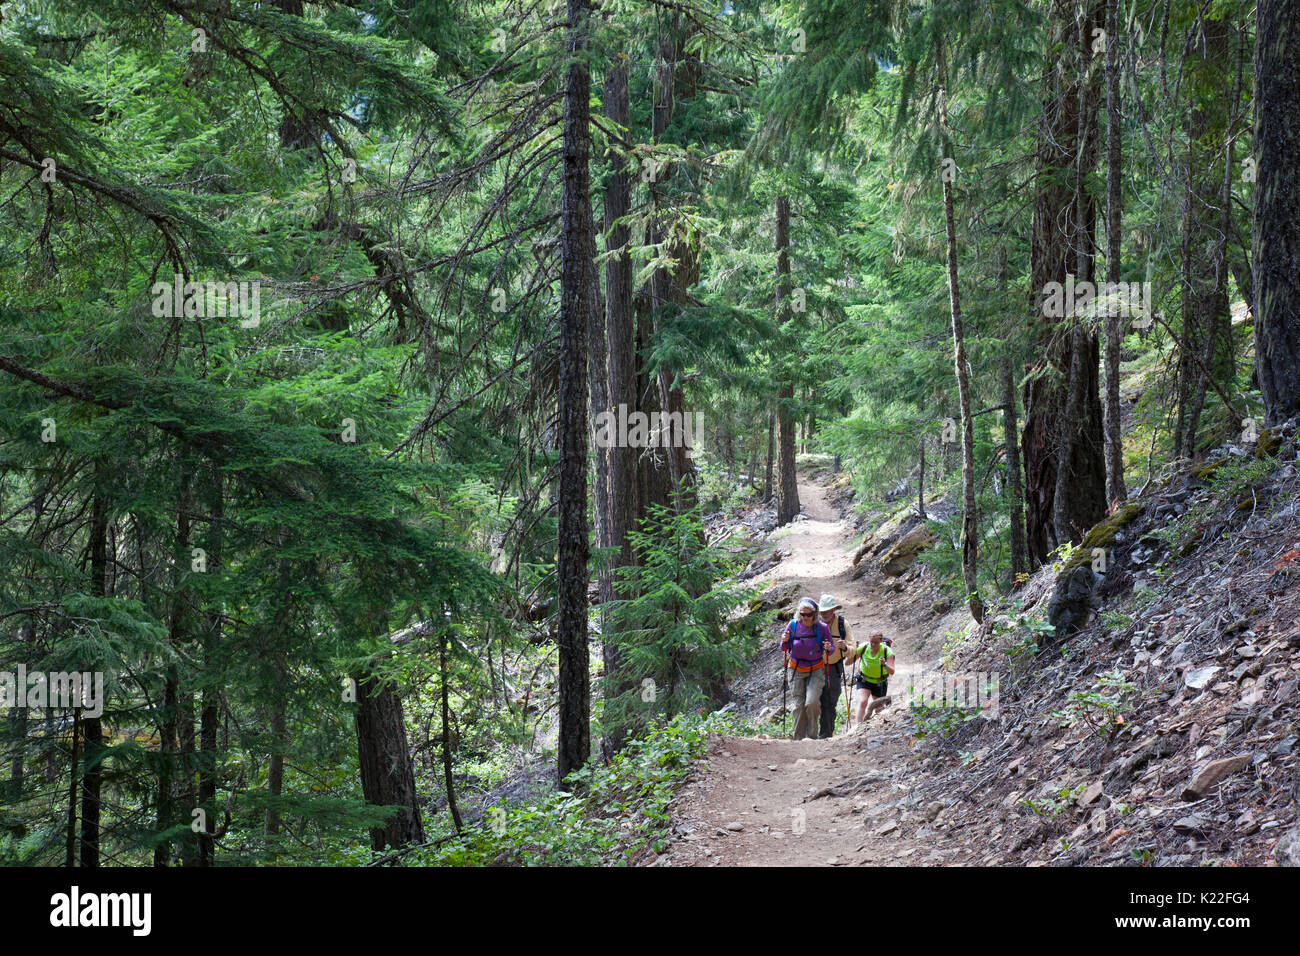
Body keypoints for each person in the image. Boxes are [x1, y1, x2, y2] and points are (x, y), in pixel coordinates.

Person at [780, 597, 833, 740]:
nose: (806, 618)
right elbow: (784, 647)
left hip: (816, 669)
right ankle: (798, 739)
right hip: (796, 669)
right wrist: (784, 640)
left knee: (812, 702)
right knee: (798, 705)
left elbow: (831, 648)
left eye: (809, 615)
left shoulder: (821, 628)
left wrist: (828, 648)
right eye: (803, 614)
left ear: (814, 615)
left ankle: (811, 737)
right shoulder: (792, 625)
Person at [816, 594, 850, 738]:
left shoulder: (842, 624)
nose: (825, 614)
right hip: (814, 667)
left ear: (834, 609)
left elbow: (852, 647)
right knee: (812, 701)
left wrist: (845, 648)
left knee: (830, 702)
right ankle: (808, 735)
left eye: (828, 610)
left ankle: (825, 735)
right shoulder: (814, 623)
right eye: (822, 611)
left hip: (834, 667)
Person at [847, 631, 895, 726]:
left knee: (878, 709)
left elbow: (892, 671)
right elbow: (847, 663)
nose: (873, 644)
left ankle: (877, 727)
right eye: (871, 641)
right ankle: (857, 728)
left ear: (881, 641)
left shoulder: (887, 651)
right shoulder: (863, 647)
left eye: (876, 642)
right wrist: (853, 650)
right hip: (864, 679)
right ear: (868, 639)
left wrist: (884, 664)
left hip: (880, 682)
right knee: (862, 701)